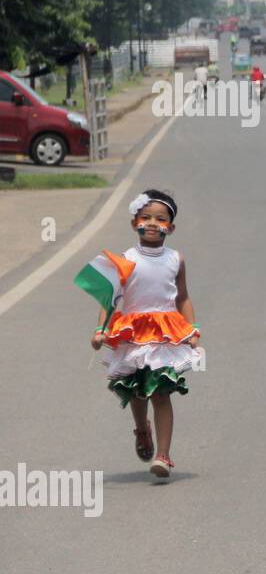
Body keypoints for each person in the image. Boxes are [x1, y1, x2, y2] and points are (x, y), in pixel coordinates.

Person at [89, 189, 201, 479]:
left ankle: (163, 455)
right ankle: (142, 429)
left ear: (171, 227)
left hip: (164, 335)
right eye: (146, 217)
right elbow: (109, 299)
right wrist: (100, 330)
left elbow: (183, 298)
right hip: (132, 335)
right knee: (137, 392)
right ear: (134, 223)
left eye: (160, 219)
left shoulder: (176, 259)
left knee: (162, 393)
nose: (152, 223)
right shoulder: (124, 259)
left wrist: (193, 328)